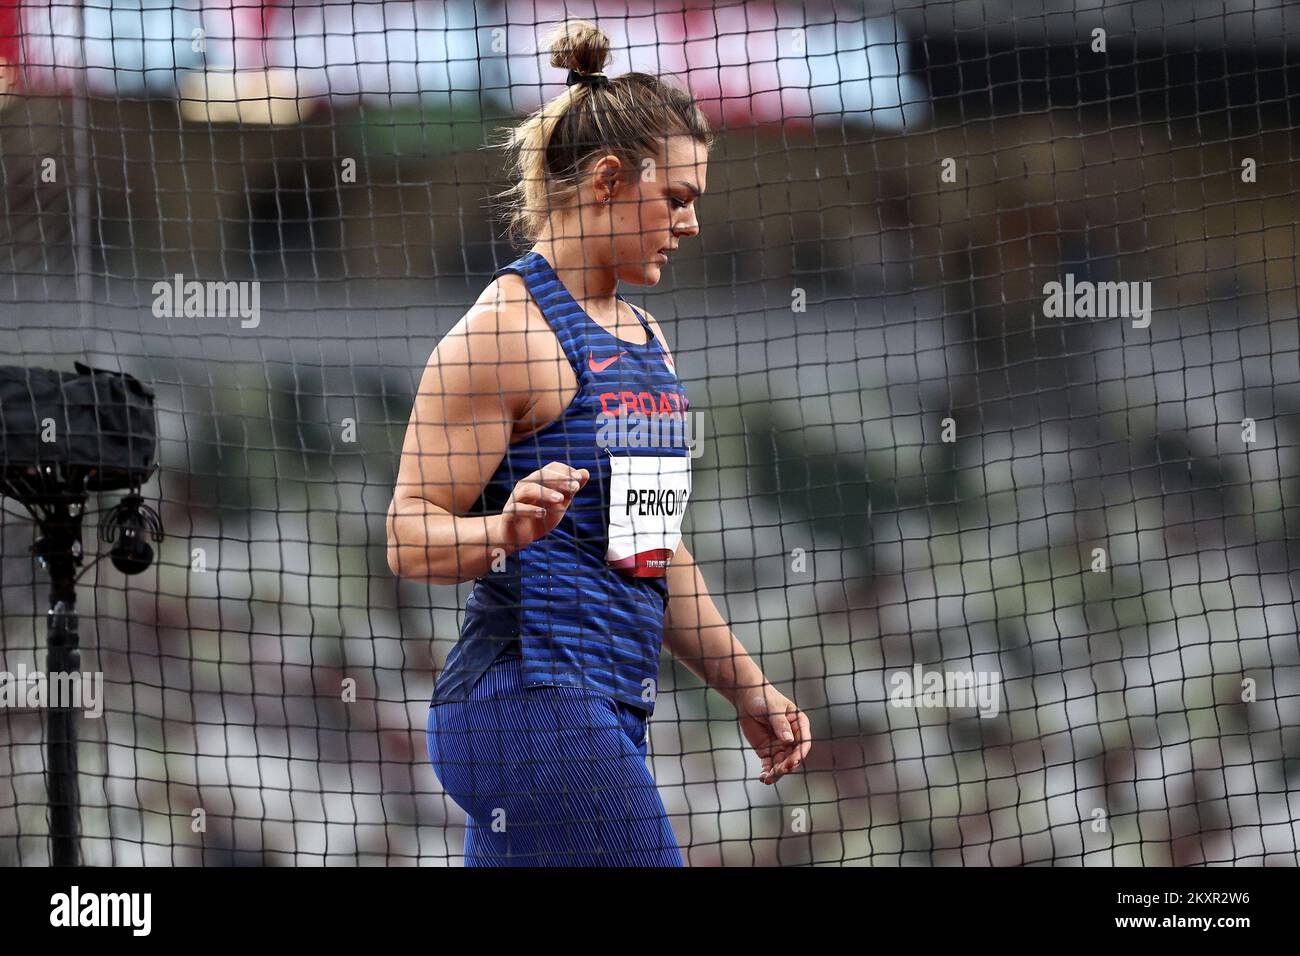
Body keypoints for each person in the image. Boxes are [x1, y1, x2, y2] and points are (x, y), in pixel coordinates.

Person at [386, 18, 811, 866]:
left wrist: (746, 685)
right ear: (609, 180)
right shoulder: (505, 331)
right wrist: (500, 533)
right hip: (526, 701)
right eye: (678, 199)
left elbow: (650, 546)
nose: (690, 224)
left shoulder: (645, 336)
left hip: (606, 706)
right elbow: (407, 534)